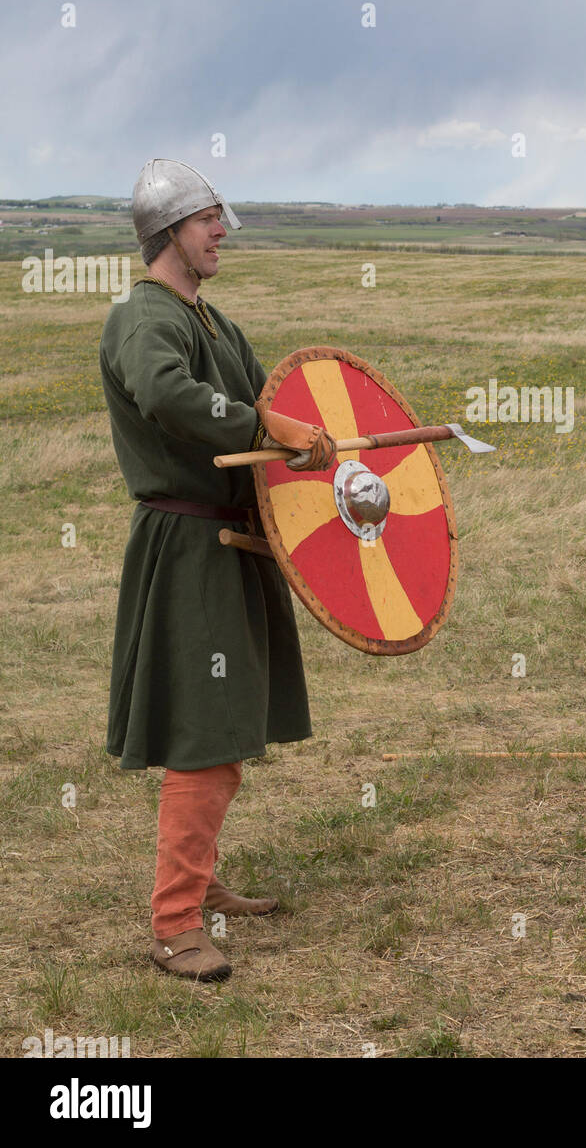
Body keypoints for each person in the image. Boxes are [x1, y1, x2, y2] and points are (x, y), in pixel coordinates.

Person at [99, 159, 338, 981]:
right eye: (207, 219)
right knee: (204, 737)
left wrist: (306, 437)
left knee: (226, 725)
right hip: (189, 546)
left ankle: (196, 884)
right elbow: (165, 395)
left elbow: (265, 402)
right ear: (170, 232)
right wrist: (265, 421)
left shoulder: (212, 321)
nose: (221, 231)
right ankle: (173, 924)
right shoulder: (145, 317)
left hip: (232, 542)